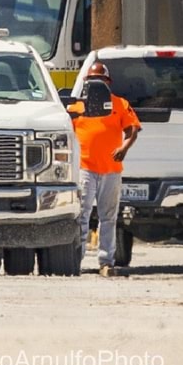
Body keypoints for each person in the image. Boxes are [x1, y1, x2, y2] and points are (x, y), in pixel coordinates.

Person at [69, 60, 141, 277]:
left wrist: (124, 148)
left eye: (100, 80)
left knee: (108, 217)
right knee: (80, 215)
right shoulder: (76, 107)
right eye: (92, 80)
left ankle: (106, 261)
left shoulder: (119, 104)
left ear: (108, 82)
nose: (96, 83)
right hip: (85, 169)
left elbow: (133, 129)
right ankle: (75, 260)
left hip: (111, 170)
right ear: (85, 83)